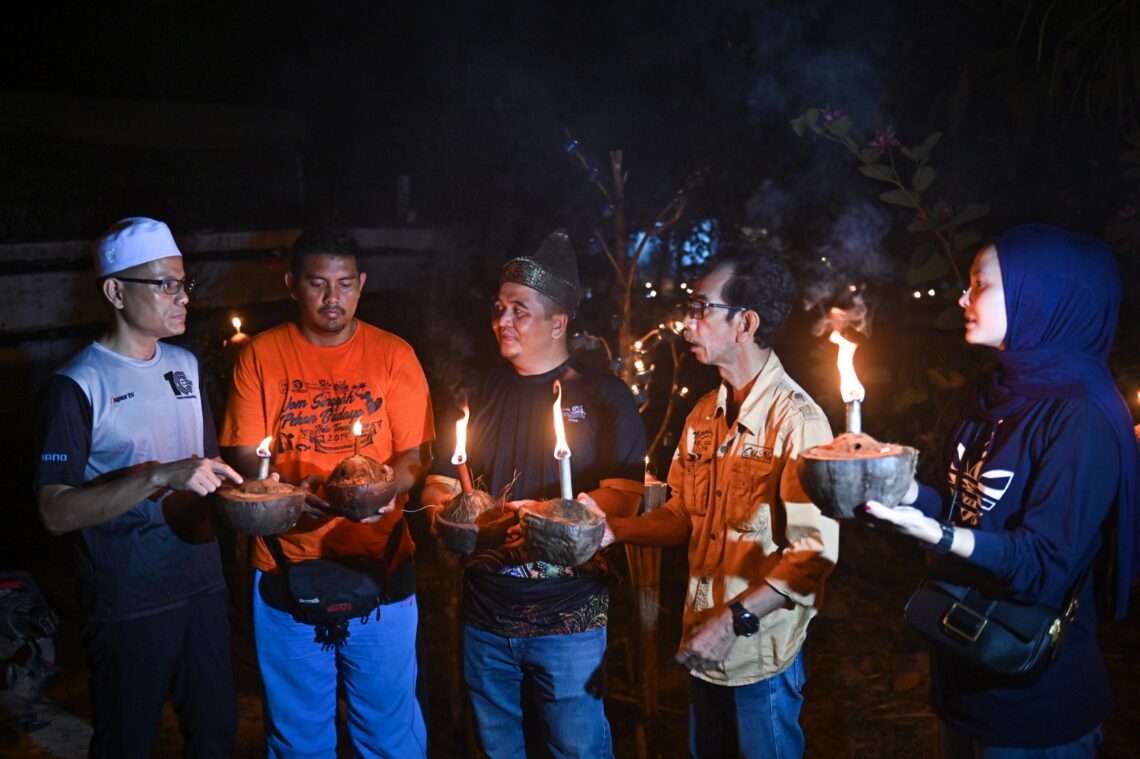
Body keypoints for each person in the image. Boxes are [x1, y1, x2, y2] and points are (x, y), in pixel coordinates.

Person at [865, 224, 1138, 757]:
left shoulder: (1080, 415)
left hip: (1035, 706)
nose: (964, 297)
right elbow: (957, 505)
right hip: (960, 668)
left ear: (1039, 296)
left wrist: (939, 535)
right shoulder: (987, 394)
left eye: (981, 284)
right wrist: (893, 487)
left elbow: (1042, 565)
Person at [603, 243, 838, 758]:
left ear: (745, 323)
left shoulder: (796, 422)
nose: (687, 324)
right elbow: (681, 514)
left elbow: (814, 555)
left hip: (758, 658)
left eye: (699, 309)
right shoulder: (704, 414)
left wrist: (734, 619)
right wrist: (612, 531)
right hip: (703, 646)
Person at [421, 229, 647, 759]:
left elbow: (624, 496)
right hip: (487, 613)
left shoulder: (603, 395)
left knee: (577, 747)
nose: (502, 320)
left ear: (558, 321)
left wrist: (548, 518)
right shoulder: (480, 392)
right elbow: (439, 481)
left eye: (519, 310)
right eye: (499, 308)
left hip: (570, 615)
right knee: (497, 748)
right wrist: (441, 516)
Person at [219, 226, 434, 758]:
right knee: (297, 736)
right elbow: (245, 452)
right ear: (293, 285)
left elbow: (414, 456)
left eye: (344, 283)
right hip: (285, 563)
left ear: (361, 284)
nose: (332, 298)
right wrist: (290, 491)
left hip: (380, 566)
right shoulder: (262, 356)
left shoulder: (393, 355)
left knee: (387, 732)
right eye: (318, 283)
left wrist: (388, 493)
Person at [32, 216, 241, 757]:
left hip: (202, 588)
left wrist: (268, 495)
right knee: (128, 743)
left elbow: (208, 468)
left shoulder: (187, 366)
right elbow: (55, 511)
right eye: (165, 284)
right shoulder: (77, 385)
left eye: (184, 283)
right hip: (129, 602)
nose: (183, 297)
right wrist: (156, 474)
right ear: (116, 290)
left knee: (216, 734)